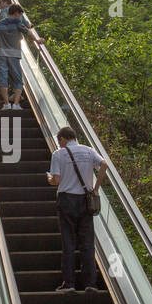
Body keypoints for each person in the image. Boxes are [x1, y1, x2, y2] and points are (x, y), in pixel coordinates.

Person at [46, 126, 108, 293]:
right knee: (87, 243)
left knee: (68, 242)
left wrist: (49, 178)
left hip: (67, 200)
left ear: (62, 139)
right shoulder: (88, 151)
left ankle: (69, 283)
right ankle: (90, 283)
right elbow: (104, 164)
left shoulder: (59, 154)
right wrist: (96, 188)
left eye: (59, 143)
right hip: (85, 201)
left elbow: (57, 180)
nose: (59, 146)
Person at [0, 3, 42, 110]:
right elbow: (28, 32)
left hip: (1, 54)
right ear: (16, 13)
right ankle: (16, 104)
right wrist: (37, 40)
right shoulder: (17, 23)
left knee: (3, 79)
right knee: (18, 80)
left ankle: (6, 104)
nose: (20, 17)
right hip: (14, 55)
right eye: (19, 15)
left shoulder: (0, 23)